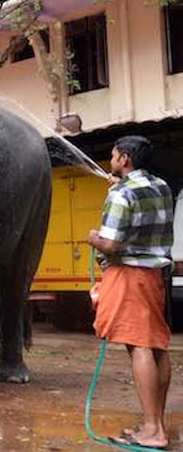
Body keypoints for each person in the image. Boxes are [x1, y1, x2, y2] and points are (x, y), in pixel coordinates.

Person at [87, 136, 173, 449]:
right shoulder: (162, 186)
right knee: (156, 345)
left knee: (139, 346)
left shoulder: (122, 194)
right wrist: (116, 185)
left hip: (129, 275)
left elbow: (110, 243)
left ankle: (153, 431)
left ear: (125, 159)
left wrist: (93, 238)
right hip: (153, 275)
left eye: (113, 156)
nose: (110, 161)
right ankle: (156, 423)